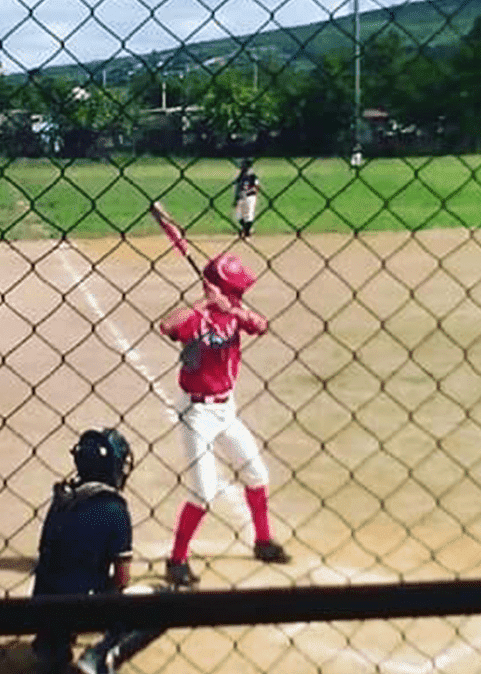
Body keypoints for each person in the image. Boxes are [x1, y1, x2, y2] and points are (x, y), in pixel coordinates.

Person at [160, 252, 290, 589]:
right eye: (235, 290)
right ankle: (176, 561)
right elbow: (167, 325)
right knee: (204, 491)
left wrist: (229, 308)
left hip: (225, 410)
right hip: (196, 413)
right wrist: (203, 303)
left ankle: (263, 541)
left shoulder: (234, 316)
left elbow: (261, 326)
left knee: (256, 474)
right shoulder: (197, 318)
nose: (240, 295)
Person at [33, 428, 163, 674]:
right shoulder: (115, 508)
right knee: (162, 601)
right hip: (86, 605)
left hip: (42, 605)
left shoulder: (61, 497)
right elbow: (122, 578)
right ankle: (98, 657)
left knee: (65, 576)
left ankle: (52, 647)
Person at [233, 158, 260, 238]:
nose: (242, 166)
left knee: (248, 215)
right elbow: (237, 188)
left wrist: (253, 194)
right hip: (241, 197)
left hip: (250, 196)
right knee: (239, 215)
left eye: (243, 165)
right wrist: (236, 198)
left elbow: (257, 186)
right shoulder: (240, 176)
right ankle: (245, 228)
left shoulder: (252, 176)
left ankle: (247, 232)